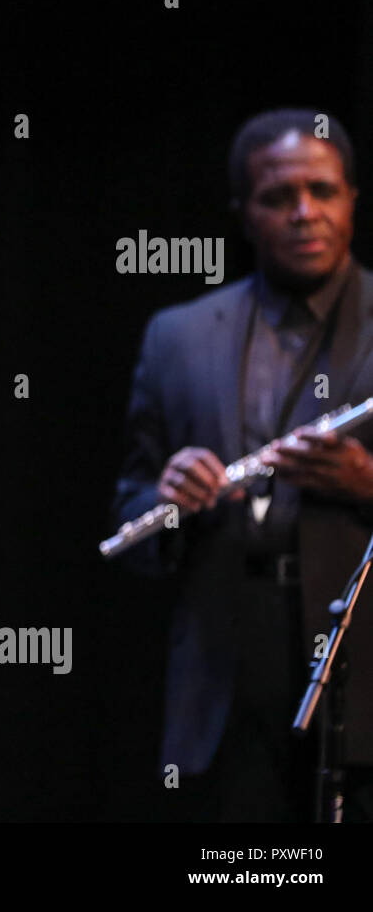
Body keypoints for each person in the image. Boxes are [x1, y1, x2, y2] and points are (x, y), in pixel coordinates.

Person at [112, 108, 373, 821]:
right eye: (277, 197)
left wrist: (366, 482)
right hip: (225, 673)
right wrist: (168, 500)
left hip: (361, 661)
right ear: (244, 214)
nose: (303, 212)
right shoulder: (178, 336)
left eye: (322, 191)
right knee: (242, 867)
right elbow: (133, 507)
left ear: (352, 199)